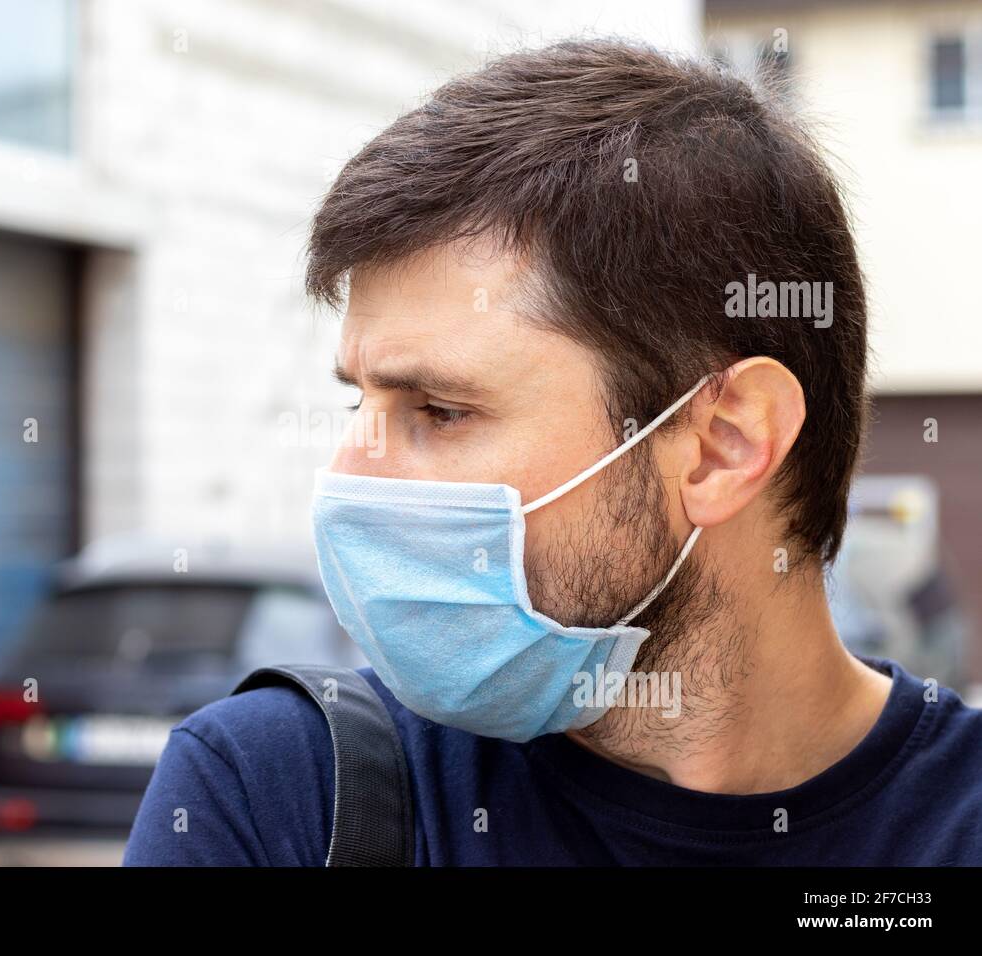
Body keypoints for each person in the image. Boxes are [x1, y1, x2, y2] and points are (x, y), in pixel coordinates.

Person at [123, 39, 982, 866]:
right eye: (361, 400)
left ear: (725, 444)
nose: (351, 474)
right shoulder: (279, 796)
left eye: (441, 410)